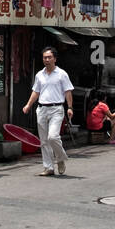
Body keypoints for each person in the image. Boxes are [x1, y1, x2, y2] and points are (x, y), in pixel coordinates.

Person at [21, 46, 73, 175]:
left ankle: (60, 159)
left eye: (49, 57)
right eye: (45, 57)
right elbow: (36, 92)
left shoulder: (62, 74)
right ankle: (48, 167)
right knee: (44, 141)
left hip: (56, 109)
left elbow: (68, 91)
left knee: (53, 137)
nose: (47, 60)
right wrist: (28, 105)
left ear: (55, 59)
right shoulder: (40, 75)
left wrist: (70, 107)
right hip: (42, 108)